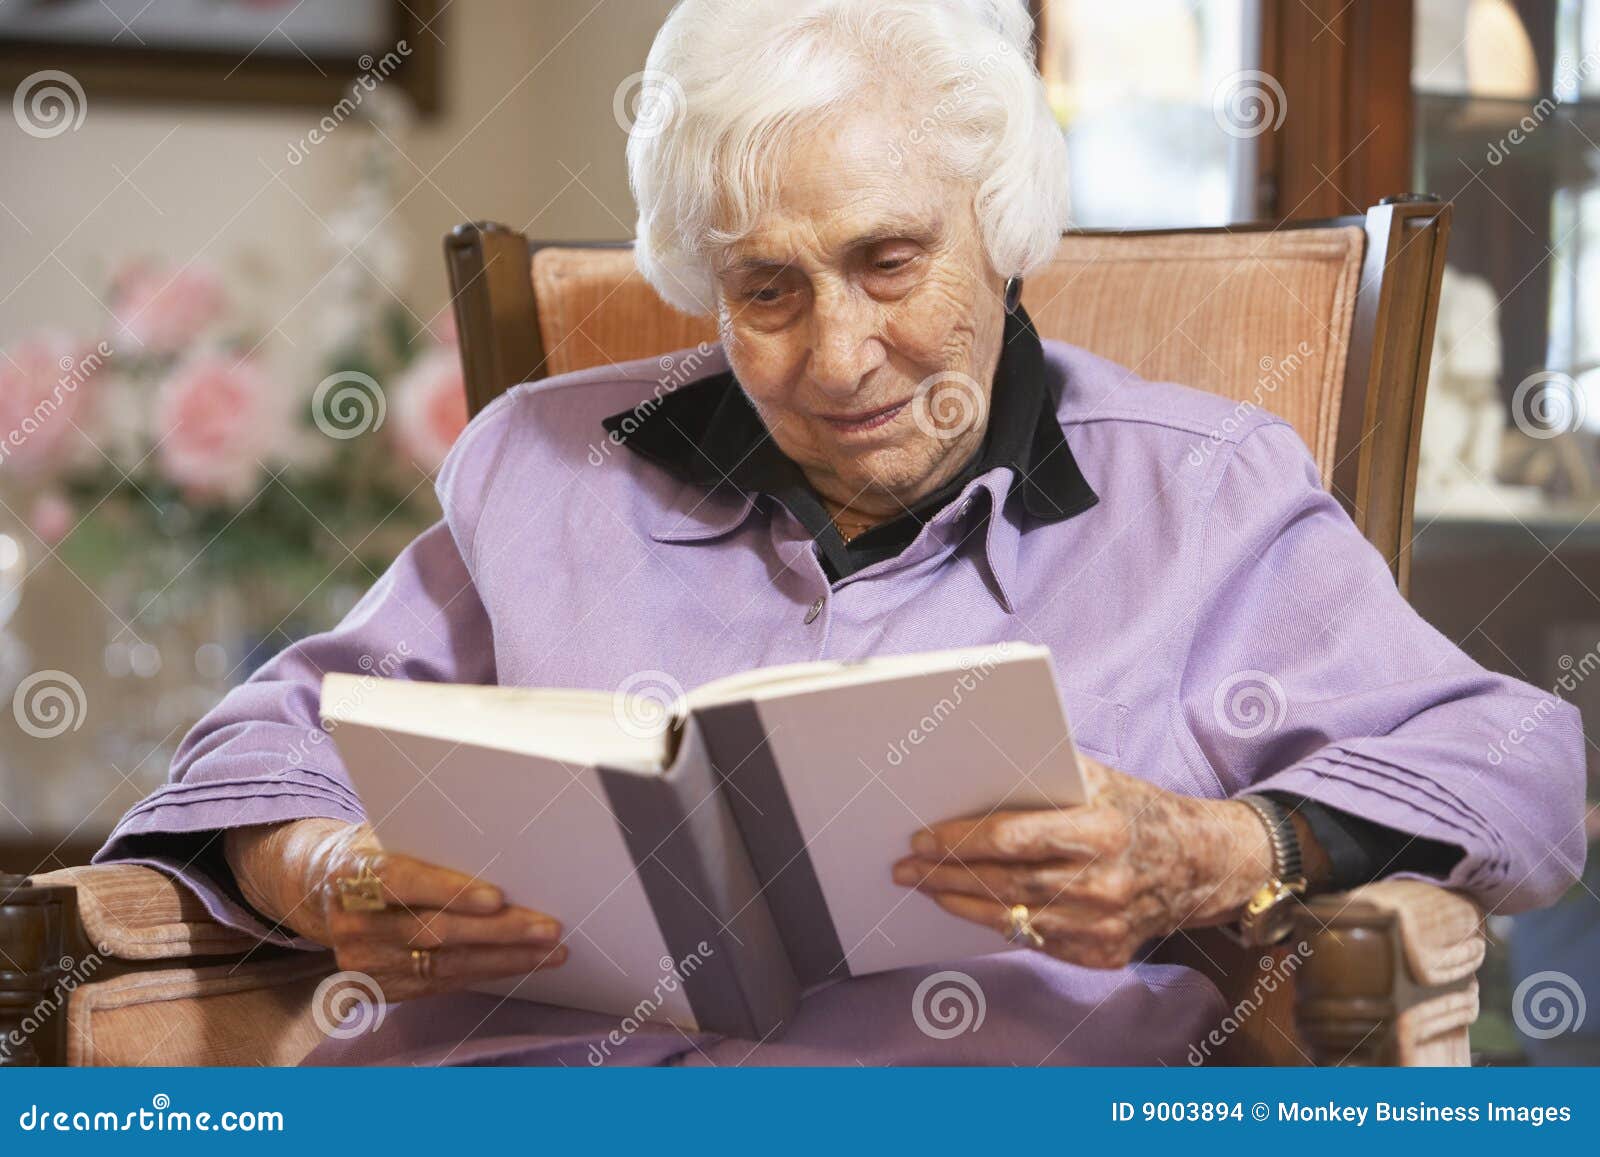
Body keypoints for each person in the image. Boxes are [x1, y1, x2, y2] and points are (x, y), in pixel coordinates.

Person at [99, 0, 1585, 1065]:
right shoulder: (544, 468)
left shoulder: (1201, 491)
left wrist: (1220, 846)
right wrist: (331, 867)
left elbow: (1522, 765)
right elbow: (255, 747)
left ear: (999, 229)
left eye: (890, 259)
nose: (839, 351)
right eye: (766, 288)